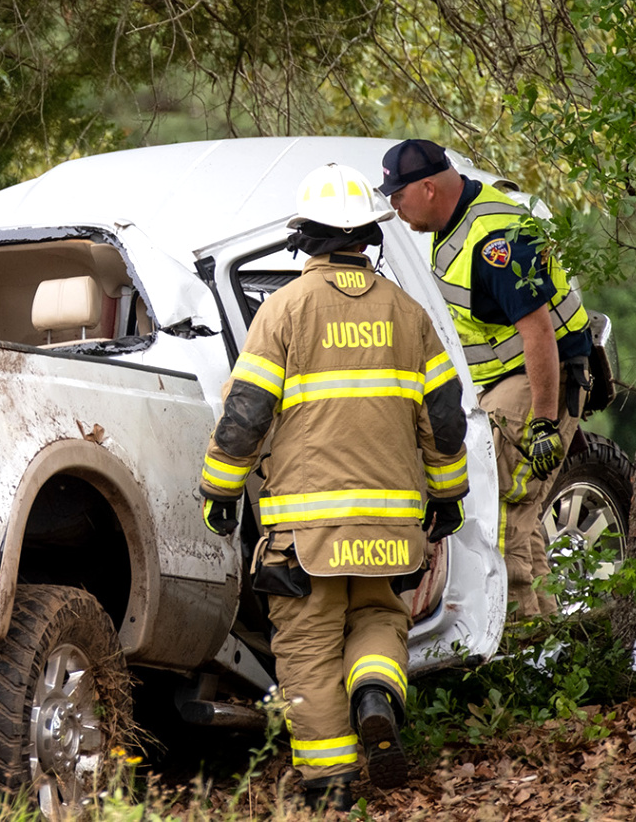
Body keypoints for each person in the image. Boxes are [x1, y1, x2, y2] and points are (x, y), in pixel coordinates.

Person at [200, 164, 468, 811]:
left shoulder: (284, 311)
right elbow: (445, 416)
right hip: (391, 527)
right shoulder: (408, 316)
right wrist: (448, 494)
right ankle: (375, 693)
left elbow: (245, 417)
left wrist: (219, 489)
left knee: (308, 646)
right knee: (379, 617)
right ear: (367, 239)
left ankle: (333, 785)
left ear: (305, 240)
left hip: (306, 534)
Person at [380, 139, 591, 617]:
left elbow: (537, 330)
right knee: (522, 517)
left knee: (496, 516)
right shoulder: (452, 222)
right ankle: (546, 642)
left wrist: (541, 421)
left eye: (398, 196)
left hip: (535, 378)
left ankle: (513, 643)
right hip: (502, 382)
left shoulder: (495, 239)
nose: (395, 207)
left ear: (429, 188)